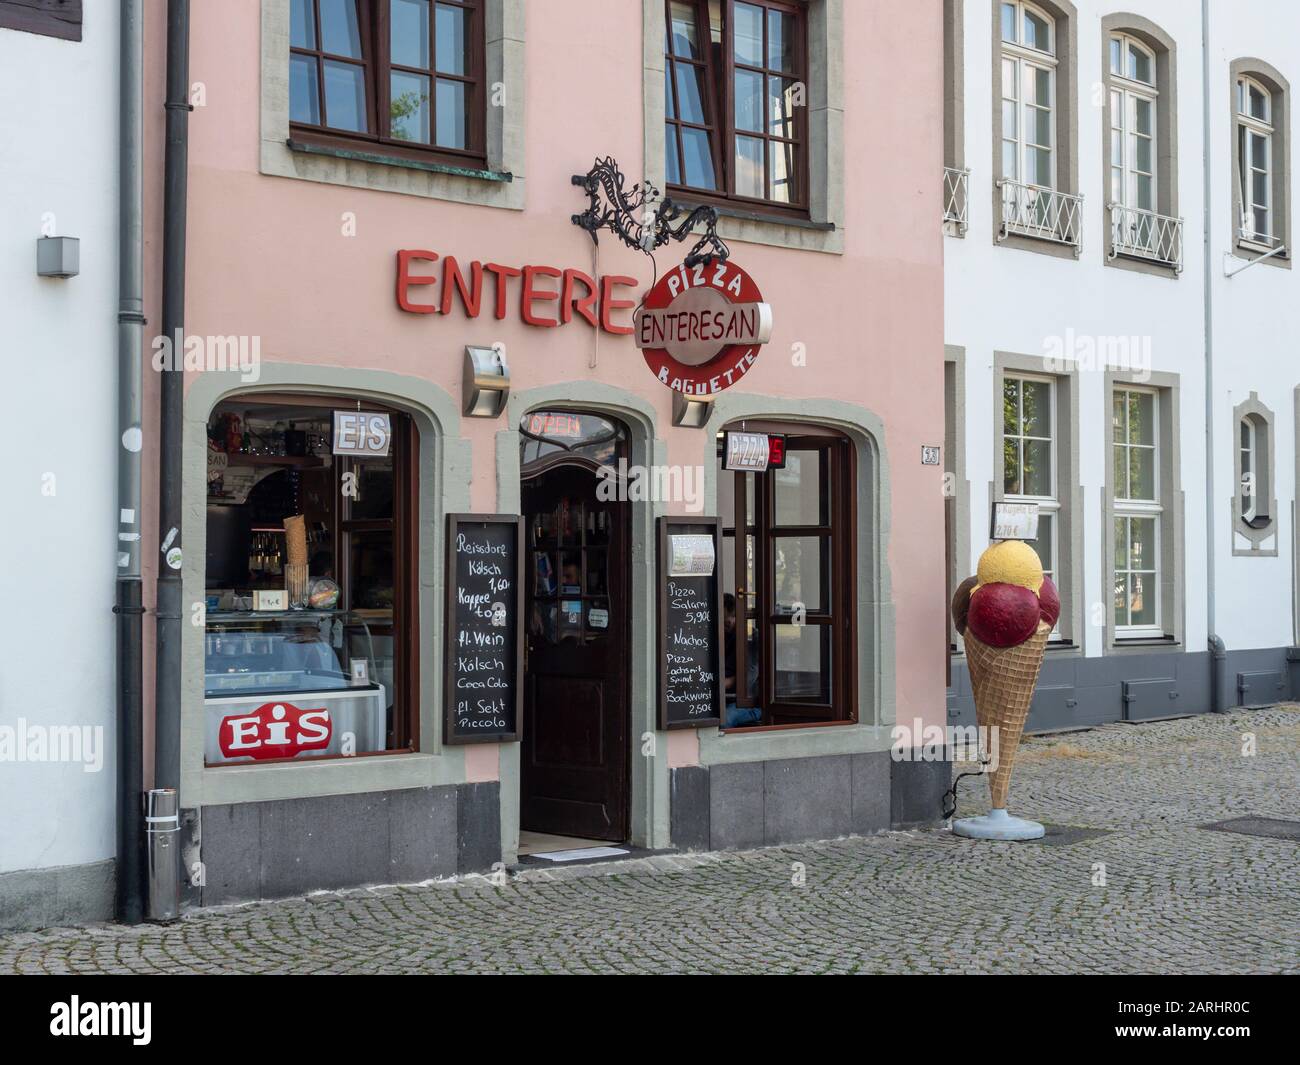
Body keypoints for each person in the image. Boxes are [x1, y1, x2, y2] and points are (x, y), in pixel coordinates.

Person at [722, 593, 762, 728]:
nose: (724, 623)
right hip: (724, 698)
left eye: (727, 620)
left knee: (724, 721)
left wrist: (724, 683)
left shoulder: (751, 637)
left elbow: (749, 676)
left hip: (749, 703)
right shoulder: (723, 635)